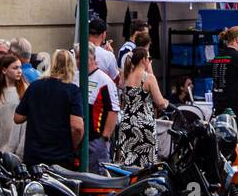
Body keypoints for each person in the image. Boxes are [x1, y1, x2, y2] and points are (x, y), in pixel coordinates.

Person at [14, 48, 83, 168]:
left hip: (34, 156)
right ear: (71, 66)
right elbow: (77, 127)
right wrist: (74, 145)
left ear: (52, 64)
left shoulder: (35, 86)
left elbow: (18, 118)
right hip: (61, 158)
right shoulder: (72, 91)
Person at [114, 46, 168, 168]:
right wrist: (166, 103)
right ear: (144, 59)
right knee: (146, 166)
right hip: (144, 127)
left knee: (127, 163)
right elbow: (160, 102)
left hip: (127, 124)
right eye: (149, 58)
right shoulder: (148, 78)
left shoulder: (126, 75)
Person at [85, 43, 119, 173]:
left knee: (99, 174)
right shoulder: (74, 77)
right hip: (78, 139)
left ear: (93, 59)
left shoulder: (104, 80)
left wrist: (105, 137)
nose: (79, 61)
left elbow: (113, 110)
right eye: (76, 57)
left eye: (82, 57)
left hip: (96, 139)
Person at [0, 51, 28, 157]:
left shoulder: (25, 90)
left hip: (20, 144)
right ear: (4, 70)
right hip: (2, 143)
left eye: (20, 68)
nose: (19, 71)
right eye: (15, 68)